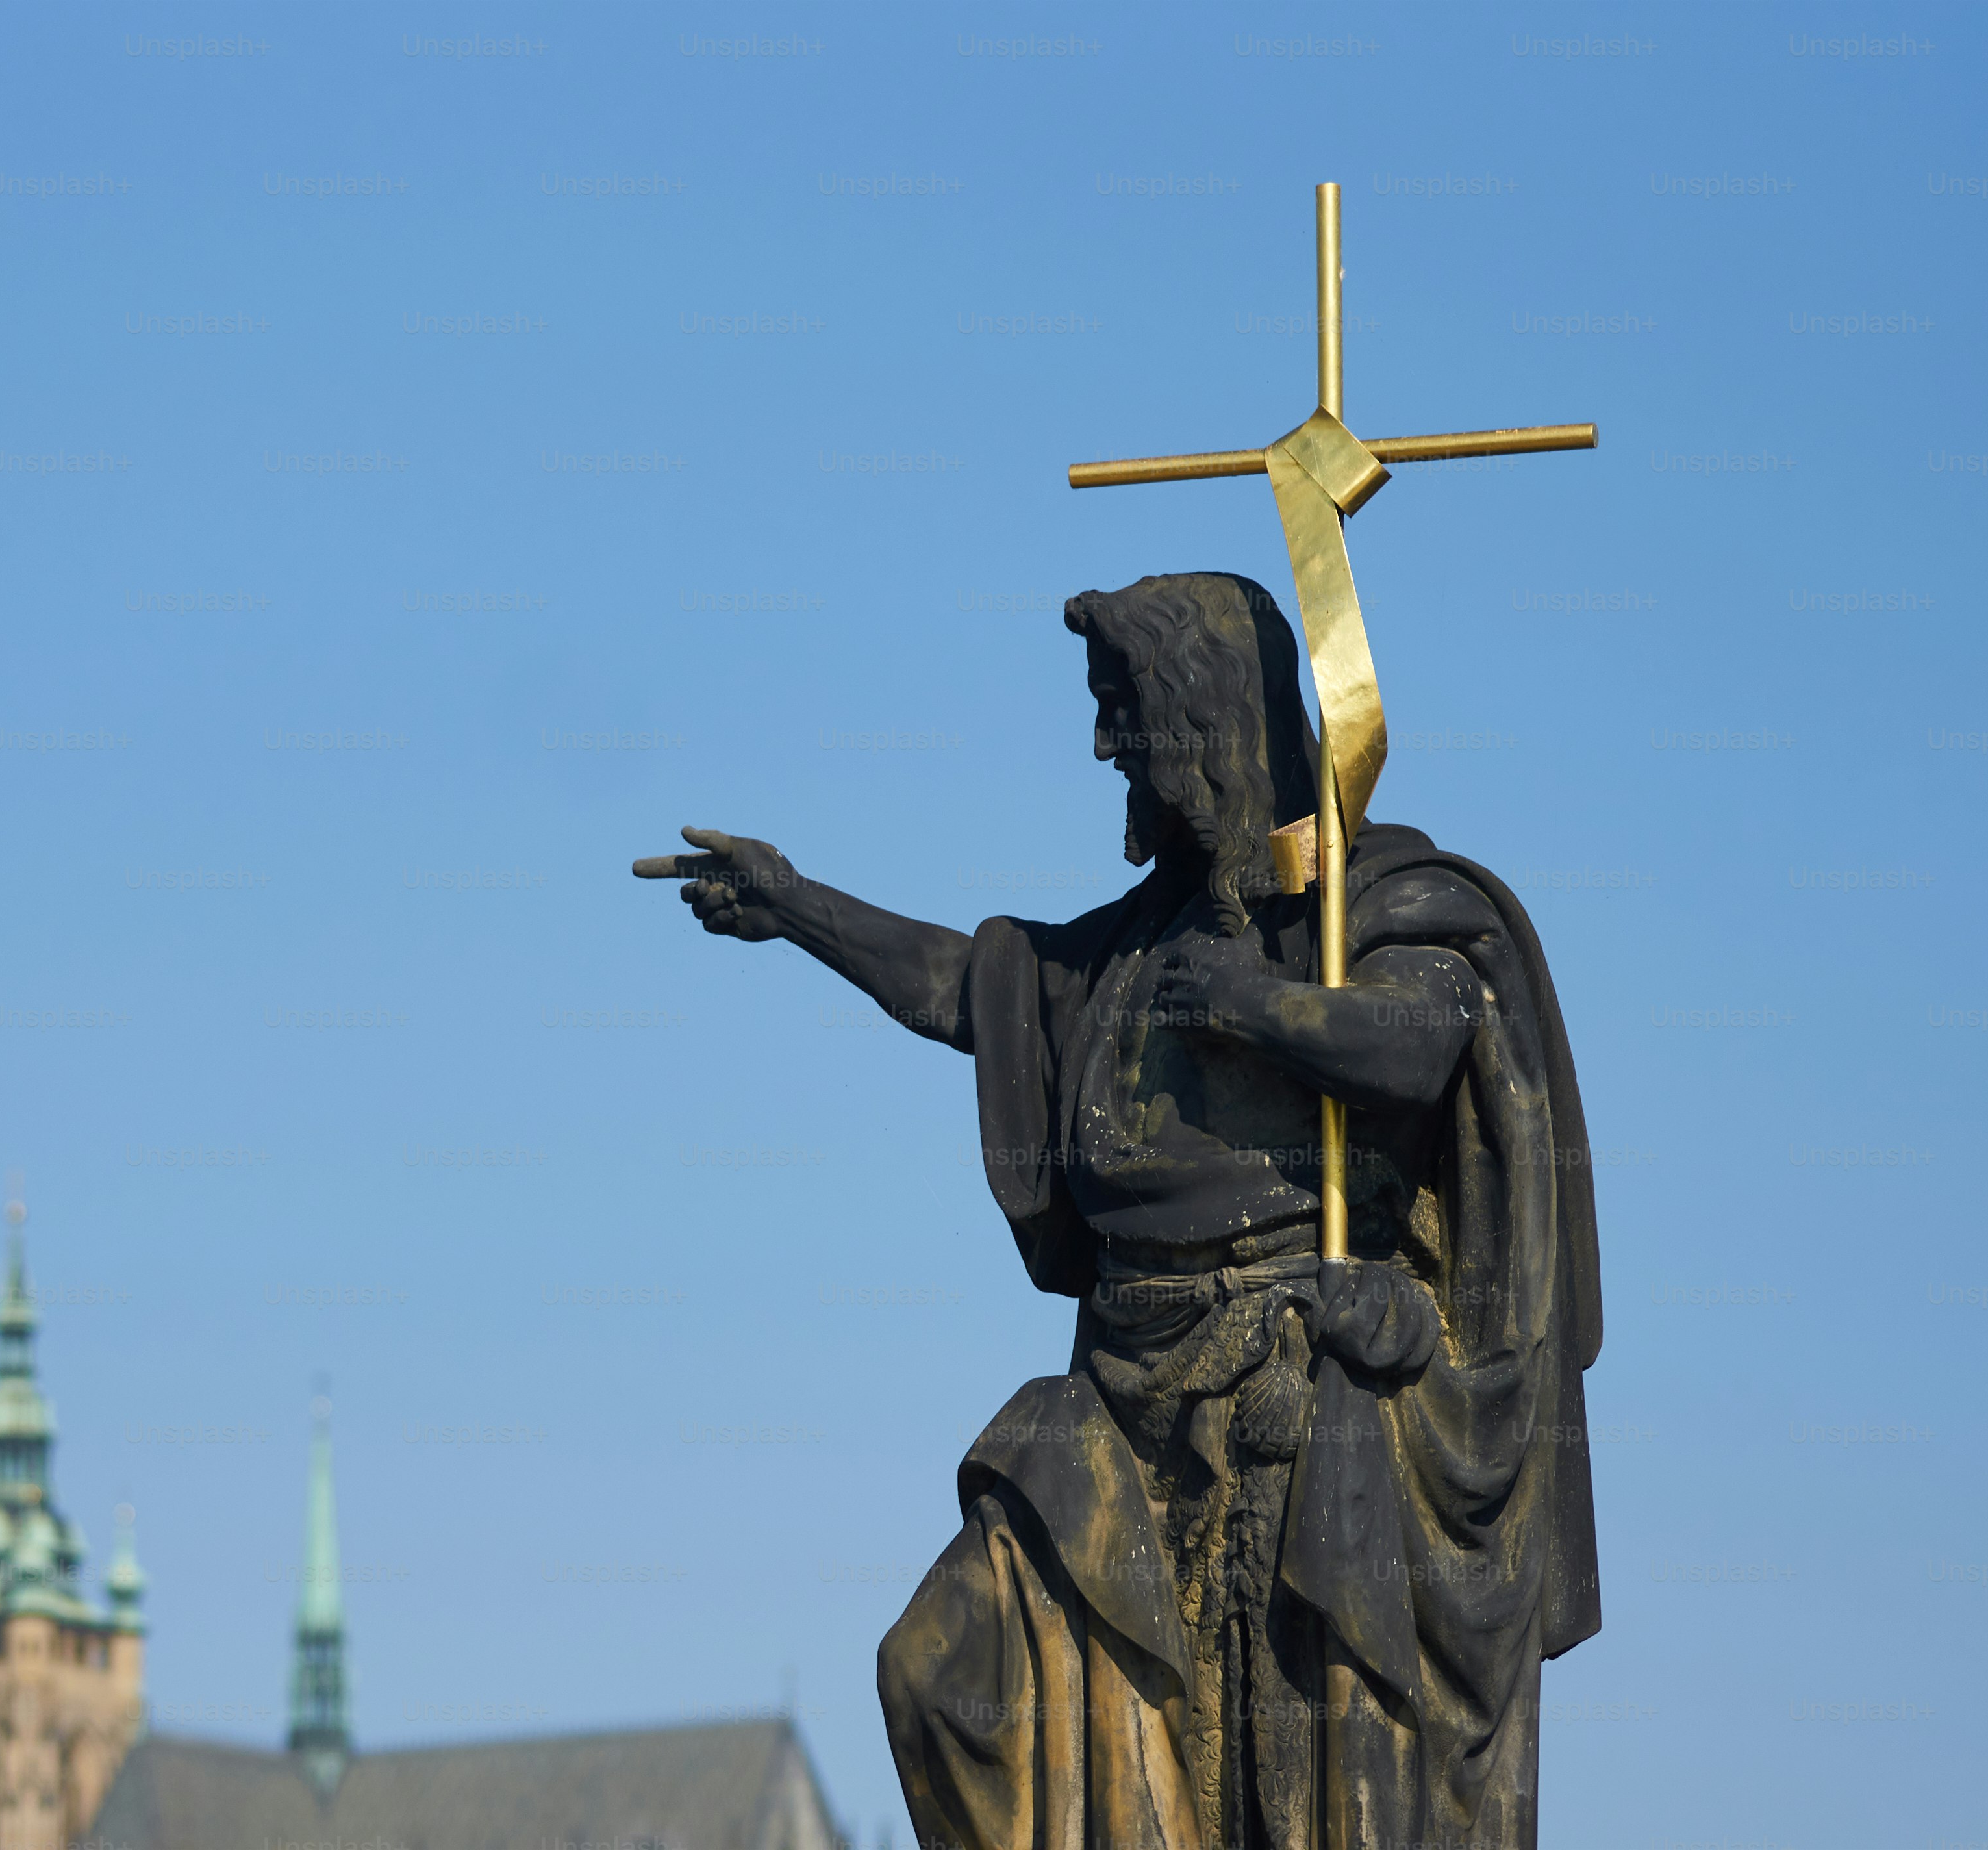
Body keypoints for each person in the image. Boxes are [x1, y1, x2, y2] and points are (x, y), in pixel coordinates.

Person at [634, 572, 1601, 1850]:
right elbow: (968, 986)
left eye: (1122, 715)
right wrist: (796, 904)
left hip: (1297, 1420)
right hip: (1117, 1410)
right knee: (944, 1663)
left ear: (1205, 724)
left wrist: (1248, 1003)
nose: (1105, 750)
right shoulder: (1130, 950)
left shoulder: (1368, 904)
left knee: (1292, 1796)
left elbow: (1424, 1043)